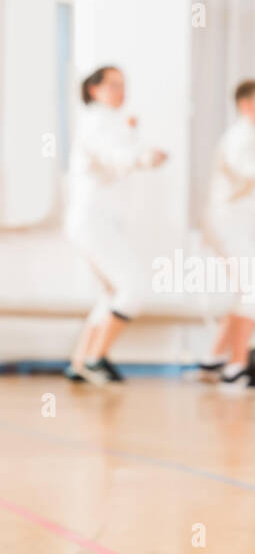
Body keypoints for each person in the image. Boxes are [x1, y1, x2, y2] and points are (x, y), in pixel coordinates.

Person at [64, 66, 167, 385]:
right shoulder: (96, 121)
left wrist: (142, 152)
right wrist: (142, 158)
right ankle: (95, 360)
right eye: (112, 85)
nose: (120, 91)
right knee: (133, 288)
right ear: (93, 89)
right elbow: (112, 155)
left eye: (124, 85)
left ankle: (80, 362)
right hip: (91, 220)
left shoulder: (112, 122)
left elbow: (121, 152)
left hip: (97, 221)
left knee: (110, 293)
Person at [198, 79, 255, 389]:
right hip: (230, 226)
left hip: (234, 226)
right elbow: (245, 168)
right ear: (245, 106)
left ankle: (213, 360)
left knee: (244, 294)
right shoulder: (242, 136)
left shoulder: (253, 137)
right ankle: (236, 368)